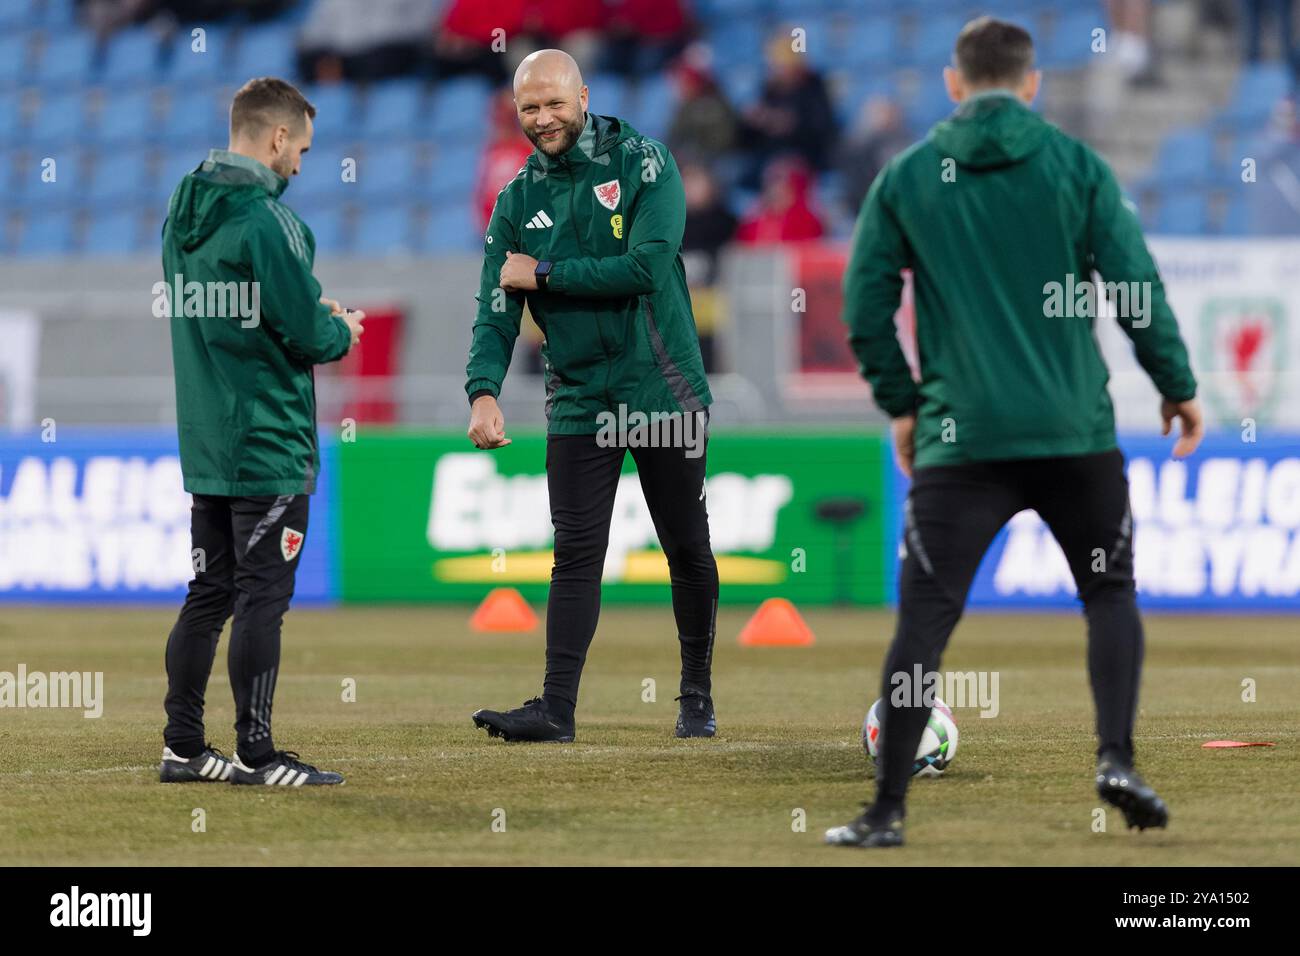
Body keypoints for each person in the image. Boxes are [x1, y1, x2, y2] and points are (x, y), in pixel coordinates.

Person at [826, 17, 1203, 848]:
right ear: (1031, 84)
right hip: (1075, 433)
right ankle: (1117, 761)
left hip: (962, 442)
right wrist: (1176, 385)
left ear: (956, 84)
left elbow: (863, 308)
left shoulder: (911, 177)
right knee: (1109, 593)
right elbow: (1135, 289)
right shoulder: (1077, 168)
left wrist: (905, 402)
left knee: (925, 617)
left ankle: (886, 813)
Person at [464, 49, 719, 743]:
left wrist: (541, 274)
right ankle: (557, 709)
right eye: (528, 110)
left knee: (685, 545)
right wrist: (482, 390)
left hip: (661, 389)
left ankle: (695, 691)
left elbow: (644, 266)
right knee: (576, 551)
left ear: (584, 94)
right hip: (578, 396)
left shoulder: (645, 163)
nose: (542, 119)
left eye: (553, 103)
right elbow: (495, 304)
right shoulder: (517, 198)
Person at [159, 77, 365, 786]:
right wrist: (339, 326)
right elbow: (308, 332)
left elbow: (234, 315)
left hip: (208, 441)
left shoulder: (179, 215)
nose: (302, 163)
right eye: (302, 147)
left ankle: (183, 747)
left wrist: (301, 311)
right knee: (261, 601)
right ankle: (257, 753)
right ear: (276, 137)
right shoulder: (267, 222)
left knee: (208, 594)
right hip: (269, 443)